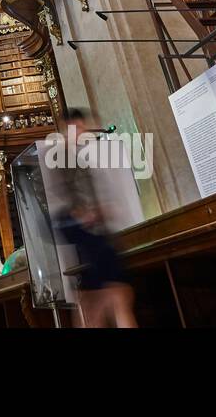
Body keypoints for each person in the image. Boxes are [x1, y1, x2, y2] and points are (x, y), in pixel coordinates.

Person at [52, 109, 137, 328]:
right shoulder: (65, 156)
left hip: (89, 233)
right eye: (78, 128)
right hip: (87, 232)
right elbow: (69, 193)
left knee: (97, 300)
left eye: (82, 127)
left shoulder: (75, 155)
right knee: (116, 295)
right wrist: (86, 213)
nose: (82, 132)